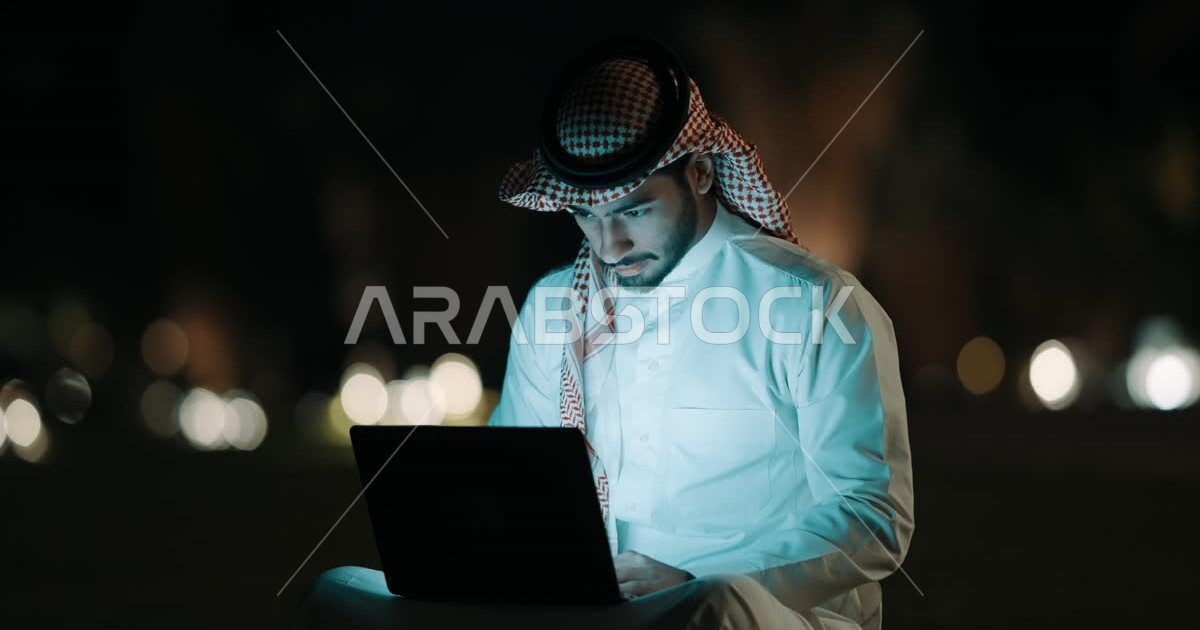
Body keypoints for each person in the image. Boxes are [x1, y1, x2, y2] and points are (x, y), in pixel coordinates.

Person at [299, 37, 914, 630]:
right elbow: (517, 490)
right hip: (588, 605)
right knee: (340, 594)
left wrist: (697, 578)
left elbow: (874, 515)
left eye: (633, 210)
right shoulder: (553, 307)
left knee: (715, 605)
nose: (609, 245)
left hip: (756, 610)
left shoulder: (816, 304)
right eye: (586, 215)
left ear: (700, 172)